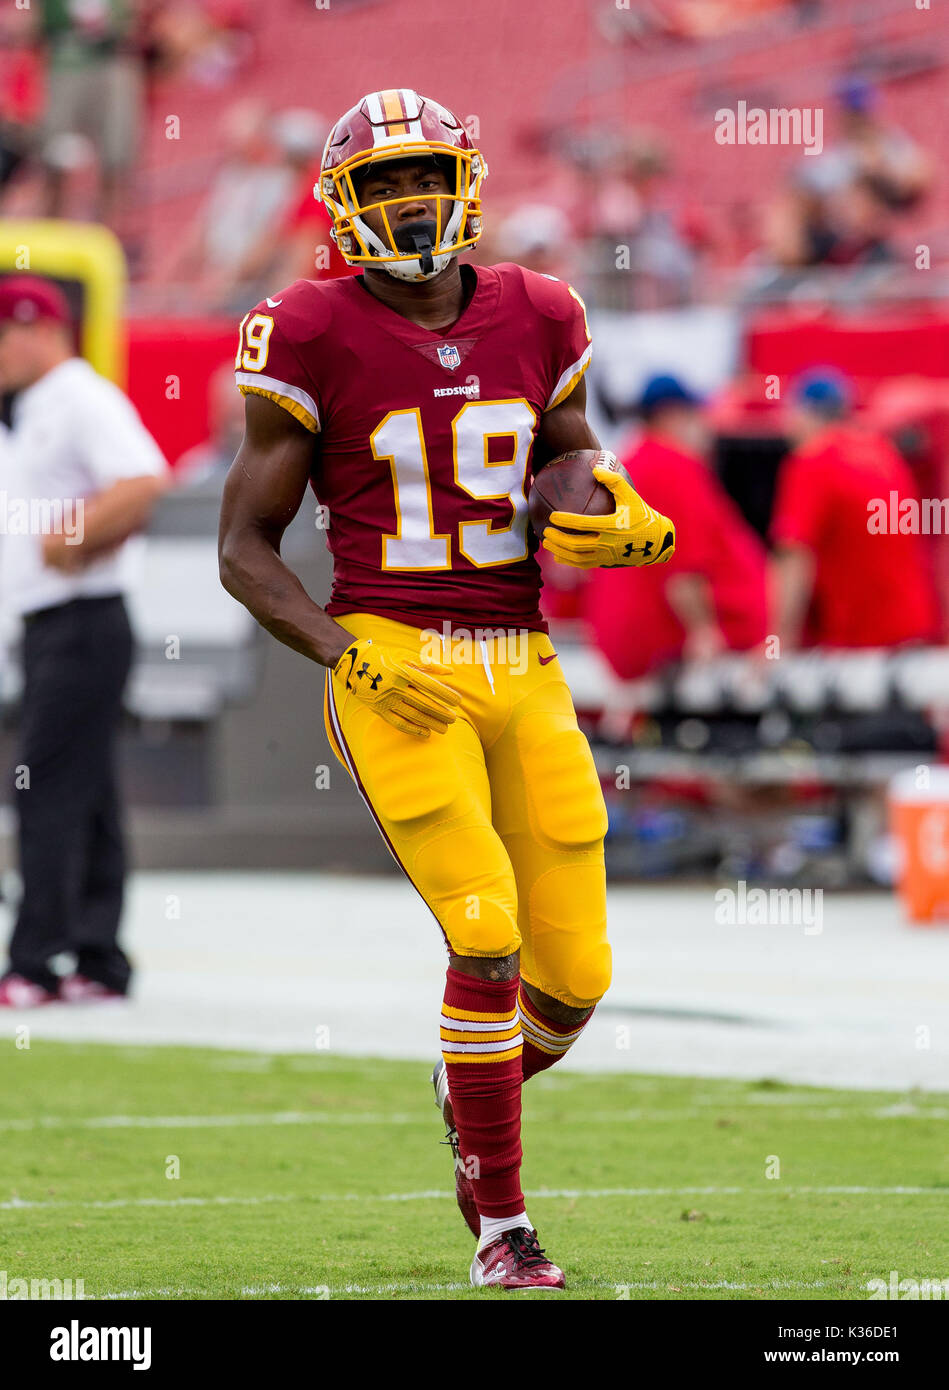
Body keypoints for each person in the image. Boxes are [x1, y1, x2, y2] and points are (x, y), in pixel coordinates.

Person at [219, 88, 675, 1291]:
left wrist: (595, 502)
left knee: (574, 978)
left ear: (465, 184)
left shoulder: (539, 307)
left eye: (422, 177)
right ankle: (503, 1226)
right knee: (482, 932)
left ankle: (467, 1087)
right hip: (396, 657)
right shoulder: (308, 326)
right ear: (343, 206)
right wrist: (337, 648)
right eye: (380, 185)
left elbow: (563, 448)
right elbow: (243, 547)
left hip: (520, 660)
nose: (407, 200)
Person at [0, 276, 167, 1009]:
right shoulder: (38, 406)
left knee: (42, 786)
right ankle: (100, 956)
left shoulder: (77, 396)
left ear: (35, 328)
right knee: (89, 792)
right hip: (56, 625)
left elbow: (142, 478)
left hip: (82, 618)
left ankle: (34, 961)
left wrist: (71, 538)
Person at [585, 374, 767, 677]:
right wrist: (703, 631)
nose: (704, 424)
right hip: (669, 650)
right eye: (695, 414)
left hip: (625, 645)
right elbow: (682, 567)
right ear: (671, 415)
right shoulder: (673, 465)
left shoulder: (628, 464)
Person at [771, 369, 939, 650]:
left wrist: (778, 639)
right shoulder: (884, 455)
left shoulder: (812, 460)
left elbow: (794, 555)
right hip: (916, 628)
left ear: (803, 414)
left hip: (862, 638)